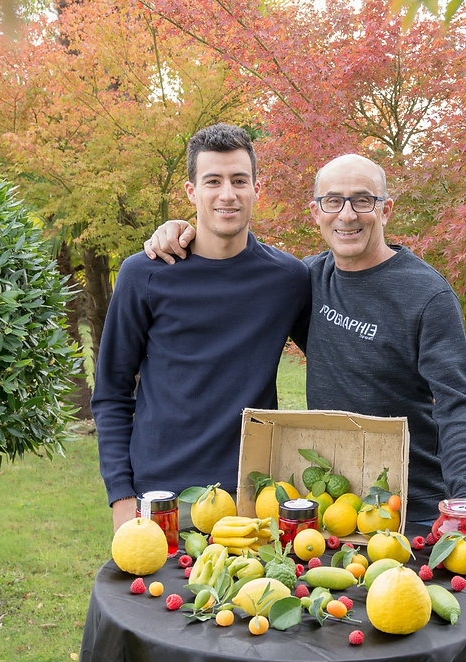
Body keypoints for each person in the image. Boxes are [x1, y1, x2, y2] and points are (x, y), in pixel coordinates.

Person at [145, 154, 466, 533]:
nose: (347, 215)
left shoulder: (426, 296)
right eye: (333, 201)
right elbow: (240, 263)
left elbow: (459, 407)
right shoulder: (305, 281)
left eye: (363, 201)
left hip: (414, 508)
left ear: (386, 210)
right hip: (332, 506)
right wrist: (184, 230)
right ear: (316, 212)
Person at [91, 123, 310, 532]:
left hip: (251, 499)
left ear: (256, 190)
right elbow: (111, 392)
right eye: (213, 181)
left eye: (239, 180)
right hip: (160, 502)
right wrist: (121, 498)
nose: (227, 194)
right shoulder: (145, 274)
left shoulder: (288, 279)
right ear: (191, 191)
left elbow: (337, 354)